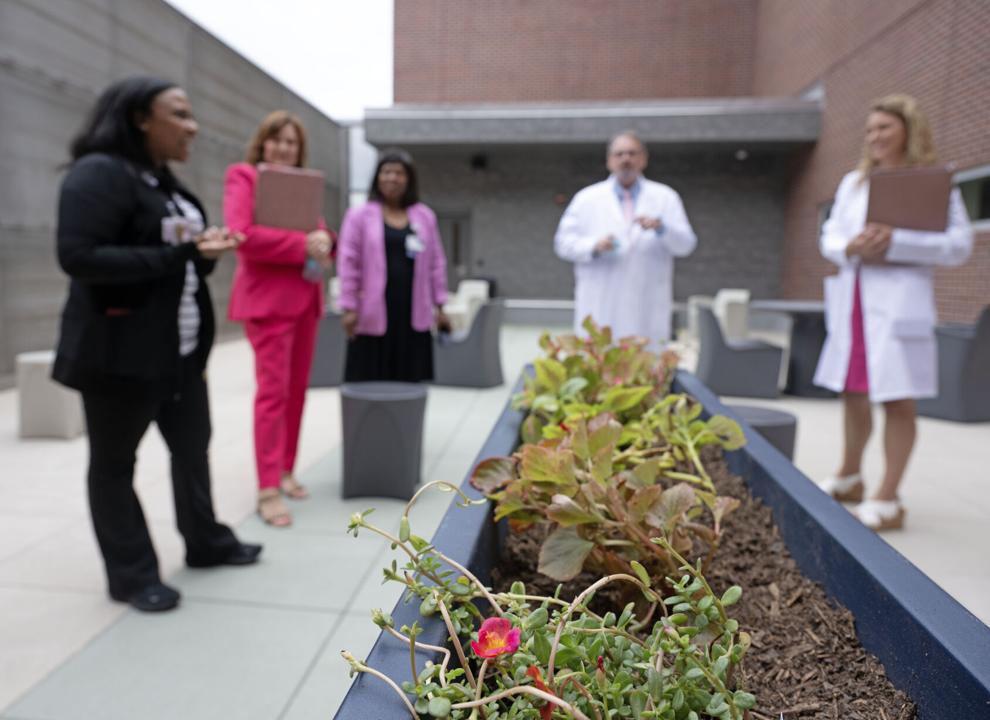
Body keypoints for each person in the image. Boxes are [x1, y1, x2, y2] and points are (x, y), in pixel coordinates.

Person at [52, 76, 263, 613]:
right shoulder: (99, 173)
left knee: (192, 448)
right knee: (114, 465)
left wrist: (204, 252)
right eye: (181, 114)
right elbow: (80, 257)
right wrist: (183, 255)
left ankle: (206, 541)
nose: (194, 126)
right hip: (120, 357)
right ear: (140, 119)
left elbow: (176, 259)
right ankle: (132, 575)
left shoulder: (163, 182)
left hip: (181, 354)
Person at [813, 94, 973, 530]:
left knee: (897, 397)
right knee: (852, 391)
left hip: (900, 302)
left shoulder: (933, 183)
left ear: (908, 129)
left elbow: (959, 245)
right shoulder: (854, 183)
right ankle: (849, 476)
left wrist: (896, 241)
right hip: (855, 299)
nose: (875, 136)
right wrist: (849, 247)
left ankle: (888, 497)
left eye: (884, 127)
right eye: (870, 129)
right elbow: (829, 235)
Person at [223, 111, 334, 527]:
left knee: (297, 391)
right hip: (267, 304)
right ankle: (267, 487)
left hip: (305, 301)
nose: (284, 148)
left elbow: (320, 232)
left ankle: (286, 469)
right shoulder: (244, 177)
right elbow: (243, 234)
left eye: (292, 142)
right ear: (263, 143)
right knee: (273, 393)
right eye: (277, 140)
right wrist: (303, 243)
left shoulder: (302, 186)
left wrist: (325, 240)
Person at [554, 131, 697, 349]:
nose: (626, 159)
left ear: (644, 159)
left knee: (645, 362)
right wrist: (594, 246)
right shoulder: (586, 199)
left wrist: (662, 229)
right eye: (619, 154)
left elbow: (686, 245)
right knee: (601, 358)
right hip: (600, 303)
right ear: (609, 161)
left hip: (647, 304)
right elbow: (563, 244)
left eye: (632, 153)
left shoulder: (665, 197)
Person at [337, 149, 449, 382]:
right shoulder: (359, 216)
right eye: (386, 172)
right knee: (371, 379)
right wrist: (349, 307)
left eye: (399, 173)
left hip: (412, 309)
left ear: (409, 179)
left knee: (409, 379)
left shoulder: (425, 216)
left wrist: (440, 304)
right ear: (377, 178)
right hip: (372, 309)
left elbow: (436, 263)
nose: (392, 178)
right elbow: (348, 262)